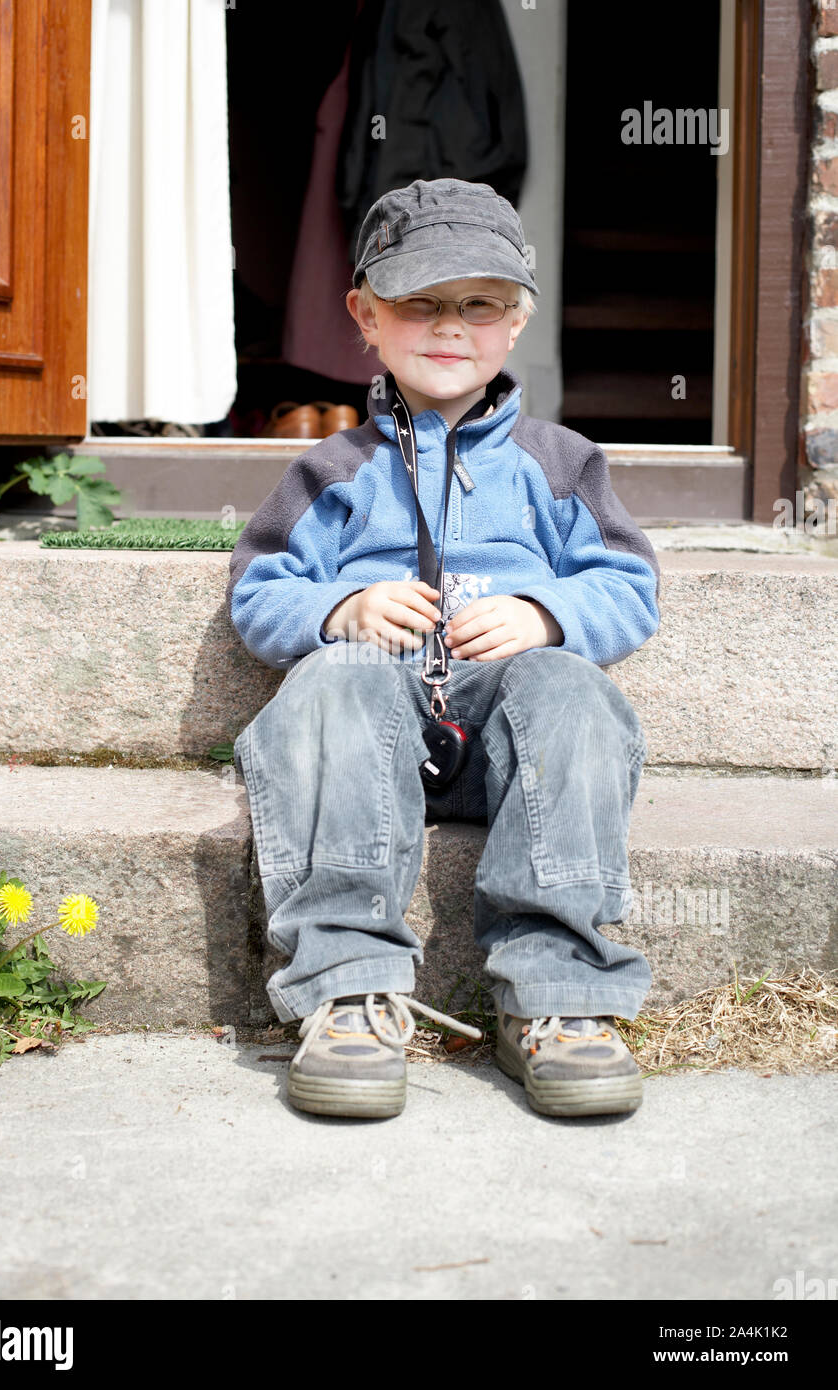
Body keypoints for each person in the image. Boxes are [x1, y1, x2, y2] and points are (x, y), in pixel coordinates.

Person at [227, 178, 661, 1122]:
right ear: (365, 316)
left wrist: (546, 615)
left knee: (570, 690)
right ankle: (348, 990)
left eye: (479, 304)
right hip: (367, 731)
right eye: (419, 303)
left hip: (504, 725)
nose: (449, 326)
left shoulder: (560, 461)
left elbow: (627, 586)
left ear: (517, 322)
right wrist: (341, 607)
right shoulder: (333, 470)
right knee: (333, 680)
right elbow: (260, 594)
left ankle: (561, 1000)